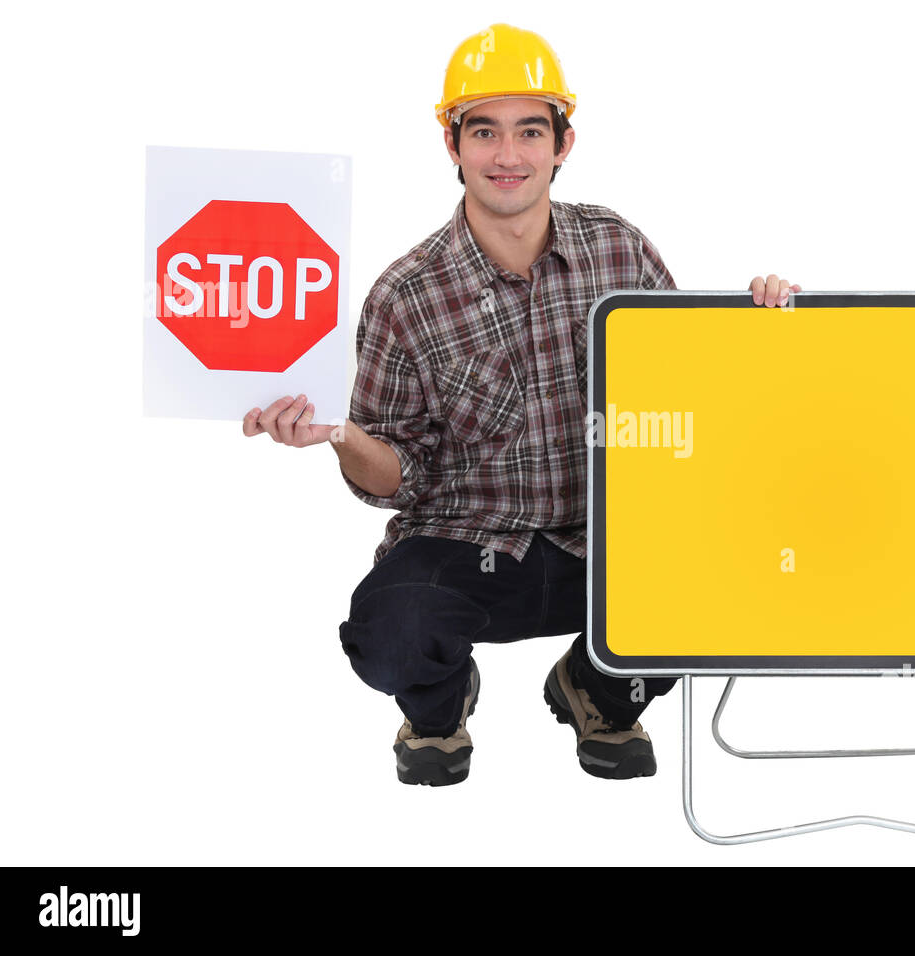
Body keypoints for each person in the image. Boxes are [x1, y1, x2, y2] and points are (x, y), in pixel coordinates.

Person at [242, 23, 800, 787]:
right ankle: (439, 709)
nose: (508, 155)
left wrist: (762, 323)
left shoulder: (619, 251)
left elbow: (693, 395)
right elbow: (392, 480)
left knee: (732, 567)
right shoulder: (406, 295)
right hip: (464, 548)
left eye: (529, 131)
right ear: (453, 145)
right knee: (390, 635)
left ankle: (599, 687)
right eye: (485, 131)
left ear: (562, 143)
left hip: (600, 545)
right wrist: (342, 436)